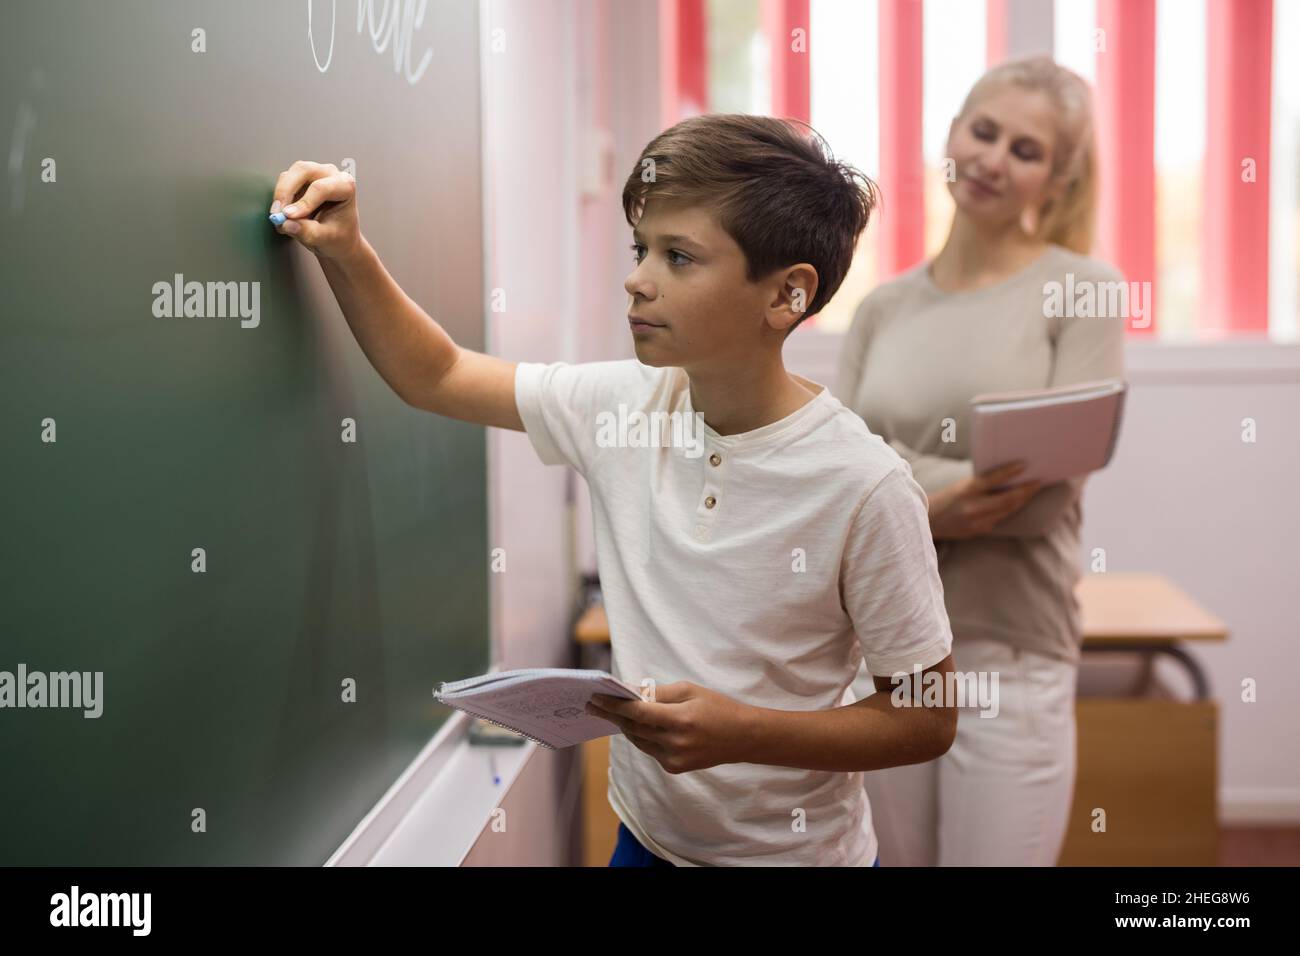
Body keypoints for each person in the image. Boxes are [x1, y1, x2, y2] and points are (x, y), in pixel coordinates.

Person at [270, 113, 957, 866]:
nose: (637, 277)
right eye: (641, 248)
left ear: (787, 296)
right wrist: (347, 250)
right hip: (646, 843)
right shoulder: (625, 407)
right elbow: (435, 373)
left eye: (679, 256)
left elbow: (926, 717)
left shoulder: (865, 485)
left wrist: (745, 730)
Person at [833, 55, 1127, 866]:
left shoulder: (1085, 290)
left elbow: (1042, 488)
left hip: (1010, 652)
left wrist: (899, 483)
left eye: (1026, 150)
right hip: (886, 649)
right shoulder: (885, 305)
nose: (995, 158)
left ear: (1058, 181)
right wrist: (945, 494)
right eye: (984, 131)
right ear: (952, 136)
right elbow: (836, 470)